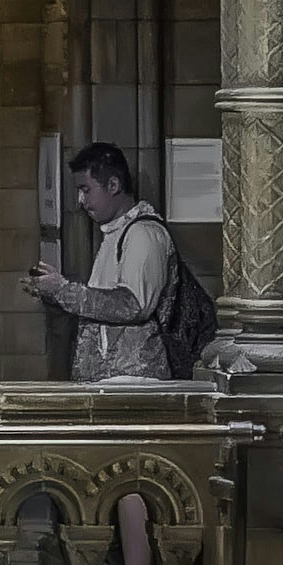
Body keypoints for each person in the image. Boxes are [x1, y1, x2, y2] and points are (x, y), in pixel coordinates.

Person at [21, 140, 187, 383]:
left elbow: (132, 305)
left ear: (113, 185)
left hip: (135, 381)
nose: (80, 200)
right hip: (112, 383)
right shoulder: (115, 234)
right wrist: (54, 293)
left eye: (86, 189)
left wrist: (64, 290)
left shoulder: (144, 234)